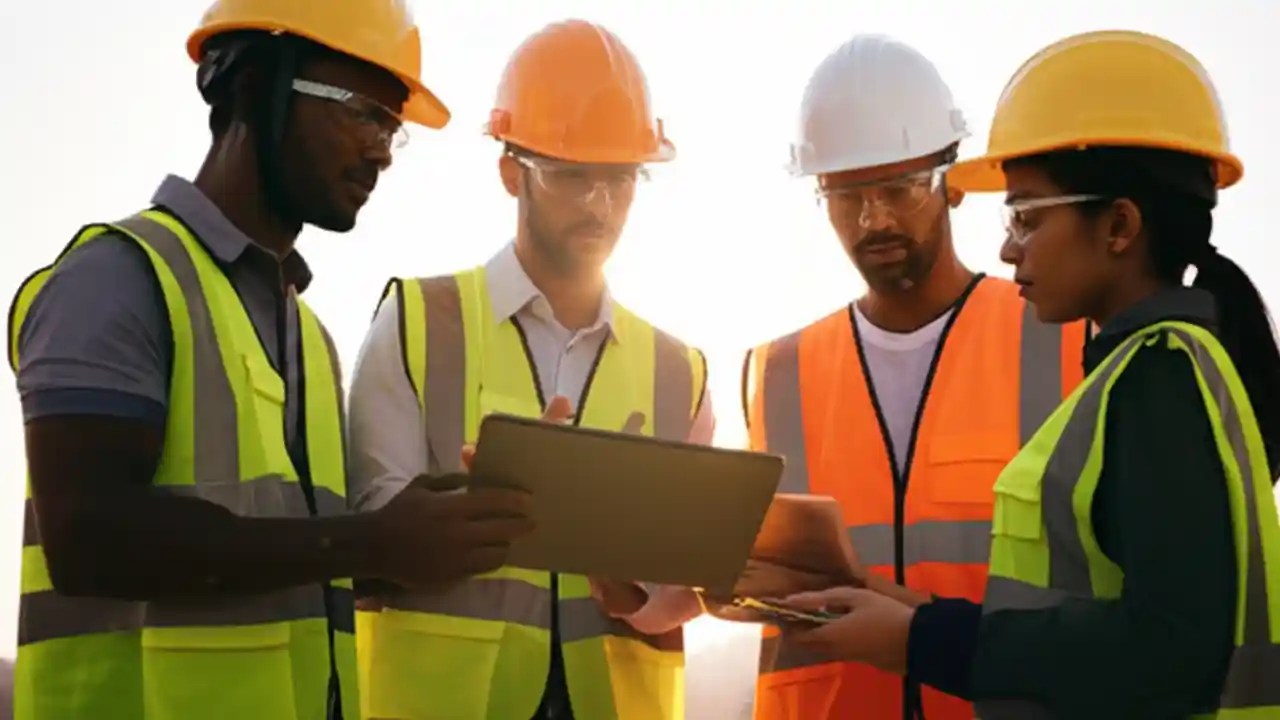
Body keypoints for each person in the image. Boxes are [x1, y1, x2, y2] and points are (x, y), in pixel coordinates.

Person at [6, 2, 539, 719]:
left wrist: (434, 529)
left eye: (393, 127)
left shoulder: (308, 335)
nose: (383, 150)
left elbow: (306, 562)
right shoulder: (117, 280)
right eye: (363, 113)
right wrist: (371, 540)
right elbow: (90, 541)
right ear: (255, 85)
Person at [778, 29, 1280, 719]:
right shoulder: (1145, 376)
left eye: (1025, 216)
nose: (1008, 246)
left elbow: (1169, 652)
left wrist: (922, 640)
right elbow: (1102, 614)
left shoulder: (1159, 381)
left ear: (1119, 227)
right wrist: (914, 614)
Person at [346, 18, 714, 720]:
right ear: (511, 171)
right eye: (573, 176)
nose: (601, 205)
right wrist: (472, 513)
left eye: (621, 179)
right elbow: (366, 539)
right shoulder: (417, 322)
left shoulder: (678, 370)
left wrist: (630, 590)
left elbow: (690, 587)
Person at [738, 34, 1088, 720]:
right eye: (847, 196)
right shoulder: (776, 372)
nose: (876, 219)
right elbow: (741, 570)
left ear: (952, 183)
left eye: (900, 187)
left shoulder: (1063, 338)